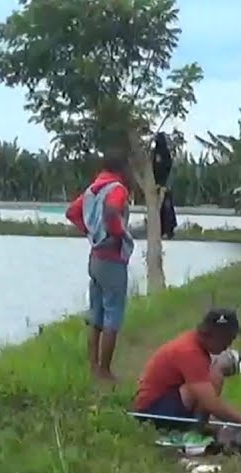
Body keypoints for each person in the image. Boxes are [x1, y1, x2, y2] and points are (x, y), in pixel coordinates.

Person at [66, 151, 133, 382]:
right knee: (113, 314)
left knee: (96, 314)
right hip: (112, 258)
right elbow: (113, 210)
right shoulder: (117, 188)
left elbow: (72, 212)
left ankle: (94, 367)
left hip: (94, 258)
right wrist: (116, 233)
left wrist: (90, 232)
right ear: (122, 169)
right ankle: (105, 371)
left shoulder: (92, 190)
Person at [132, 308, 241, 428]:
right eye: (228, 339)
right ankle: (195, 427)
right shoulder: (189, 351)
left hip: (164, 401)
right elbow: (211, 403)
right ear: (214, 335)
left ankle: (197, 423)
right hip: (151, 411)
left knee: (210, 378)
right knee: (211, 379)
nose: (229, 345)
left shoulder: (194, 342)